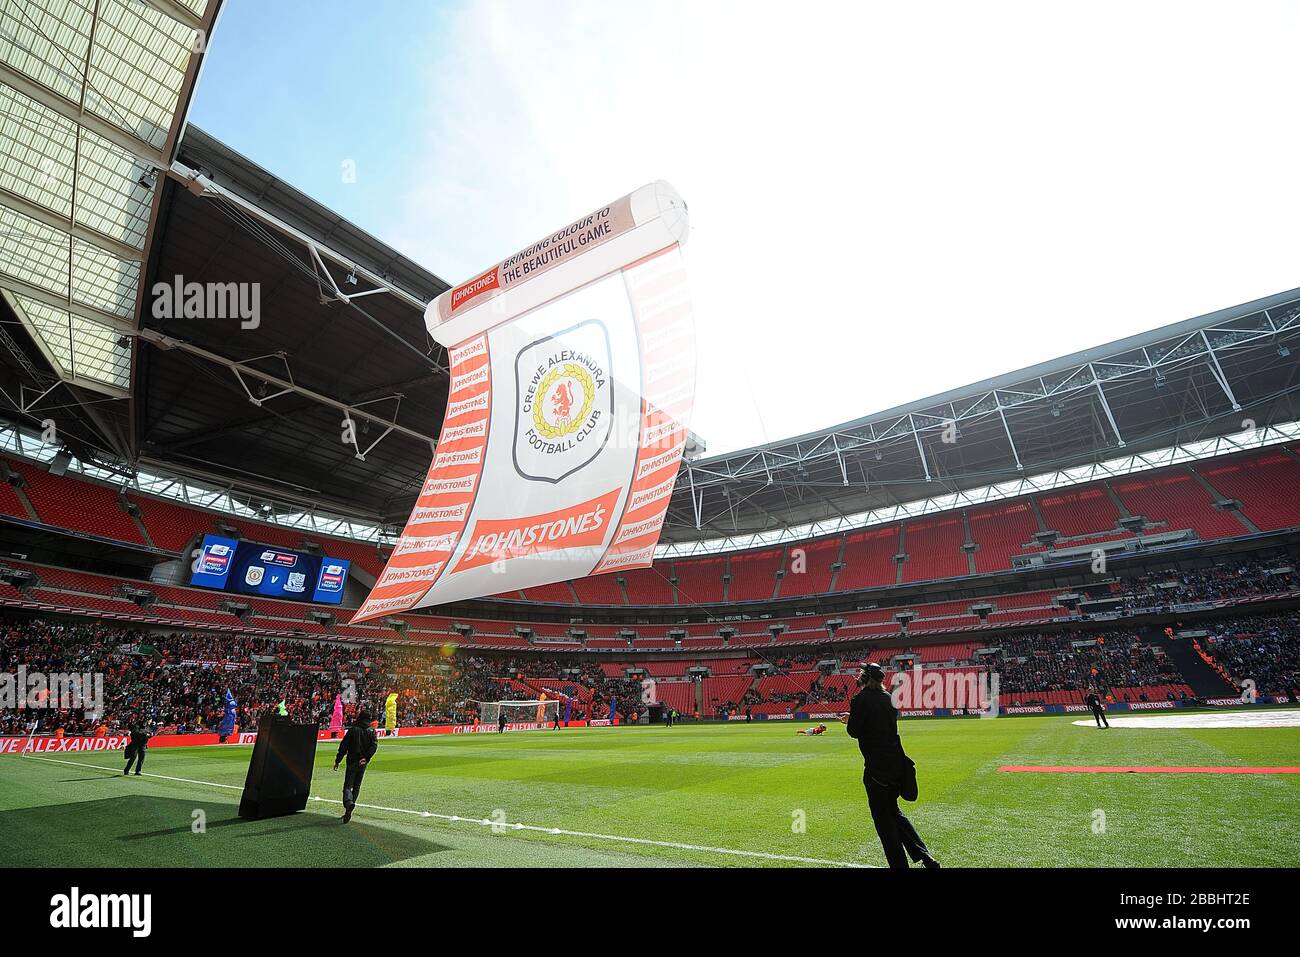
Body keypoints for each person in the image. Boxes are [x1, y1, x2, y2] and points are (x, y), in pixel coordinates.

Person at [841, 663, 938, 870]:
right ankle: (925, 857)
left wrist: (850, 719)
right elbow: (879, 724)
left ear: (865, 679)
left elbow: (854, 731)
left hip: (877, 770)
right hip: (896, 765)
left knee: (885, 824)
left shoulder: (861, 699)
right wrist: (854, 717)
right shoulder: (888, 699)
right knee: (893, 812)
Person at [333, 710, 378, 823]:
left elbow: (343, 746)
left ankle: (349, 803)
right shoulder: (371, 731)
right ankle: (349, 810)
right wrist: (366, 758)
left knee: (348, 786)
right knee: (357, 786)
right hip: (362, 763)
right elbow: (374, 746)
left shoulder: (353, 730)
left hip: (352, 761)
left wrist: (338, 760)